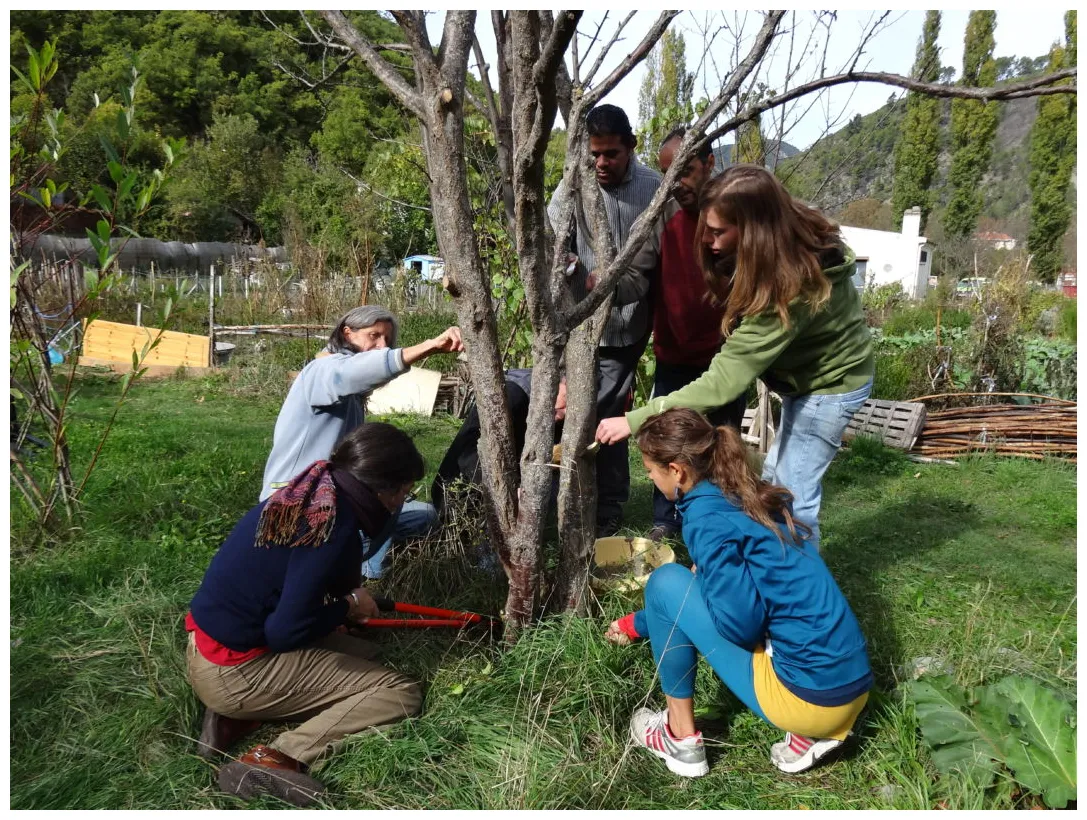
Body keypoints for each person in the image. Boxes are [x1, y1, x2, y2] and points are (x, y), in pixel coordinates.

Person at [597, 164, 874, 553]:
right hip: (805, 378)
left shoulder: (790, 285)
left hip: (832, 383)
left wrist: (635, 418)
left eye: (716, 232)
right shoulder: (780, 241)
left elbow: (723, 382)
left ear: (754, 228)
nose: (707, 240)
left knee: (793, 490)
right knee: (777, 477)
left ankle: (797, 592)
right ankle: (774, 566)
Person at [607, 408, 872, 777]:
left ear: (678, 471)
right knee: (678, 587)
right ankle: (809, 736)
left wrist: (695, 590)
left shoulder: (705, 520)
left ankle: (680, 741)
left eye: (650, 470)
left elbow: (741, 626)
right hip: (850, 688)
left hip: (808, 701)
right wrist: (639, 624)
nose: (650, 478)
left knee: (666, 581)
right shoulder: (744, 494)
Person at [187, 423, 427, 806]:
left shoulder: (316, 492)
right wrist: (348, 606)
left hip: (209, 645)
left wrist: (346, 604)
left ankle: (237, 717)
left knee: (364, 654)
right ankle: (274, 757)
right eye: (404, 490)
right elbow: (285, 632)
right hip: (234, 670)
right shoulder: (331, 527)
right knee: (398, 692)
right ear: (386, 489)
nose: (403, 501)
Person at [260, 305, 464, 578]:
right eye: (374, 336)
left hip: (328, 495)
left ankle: (354, 564)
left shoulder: (349, 396)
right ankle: (360, 576)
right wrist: (429, 346)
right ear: (348, 333)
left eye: (388, 341)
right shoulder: (323, 370)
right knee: (387, 501)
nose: (381, 346)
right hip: (295, 501)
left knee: (424, 515)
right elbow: (355, 372)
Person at [625, 127, 747, 542]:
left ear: (710, 165)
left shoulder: (733, 222)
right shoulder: (665, 217)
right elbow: (639, 275)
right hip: (674, 354)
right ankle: (666, 522)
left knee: (721, 447)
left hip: (723, 360)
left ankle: (721, 527)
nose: (676, 183)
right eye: (667, 174)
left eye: (686, 171)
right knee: (667, 442)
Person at [548, 104, 662, 536]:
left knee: (608, 416)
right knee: (569, 410)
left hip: (626, 323)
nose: (601, 163)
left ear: (630, 147)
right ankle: (570, 495)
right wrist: (571, 264)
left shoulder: (652, 187)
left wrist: (611, 284)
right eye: (594, 154)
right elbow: (552, 240)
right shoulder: (573, 185)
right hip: (578, 323)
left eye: (610, 154)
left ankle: (607, 506)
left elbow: (651, 265)